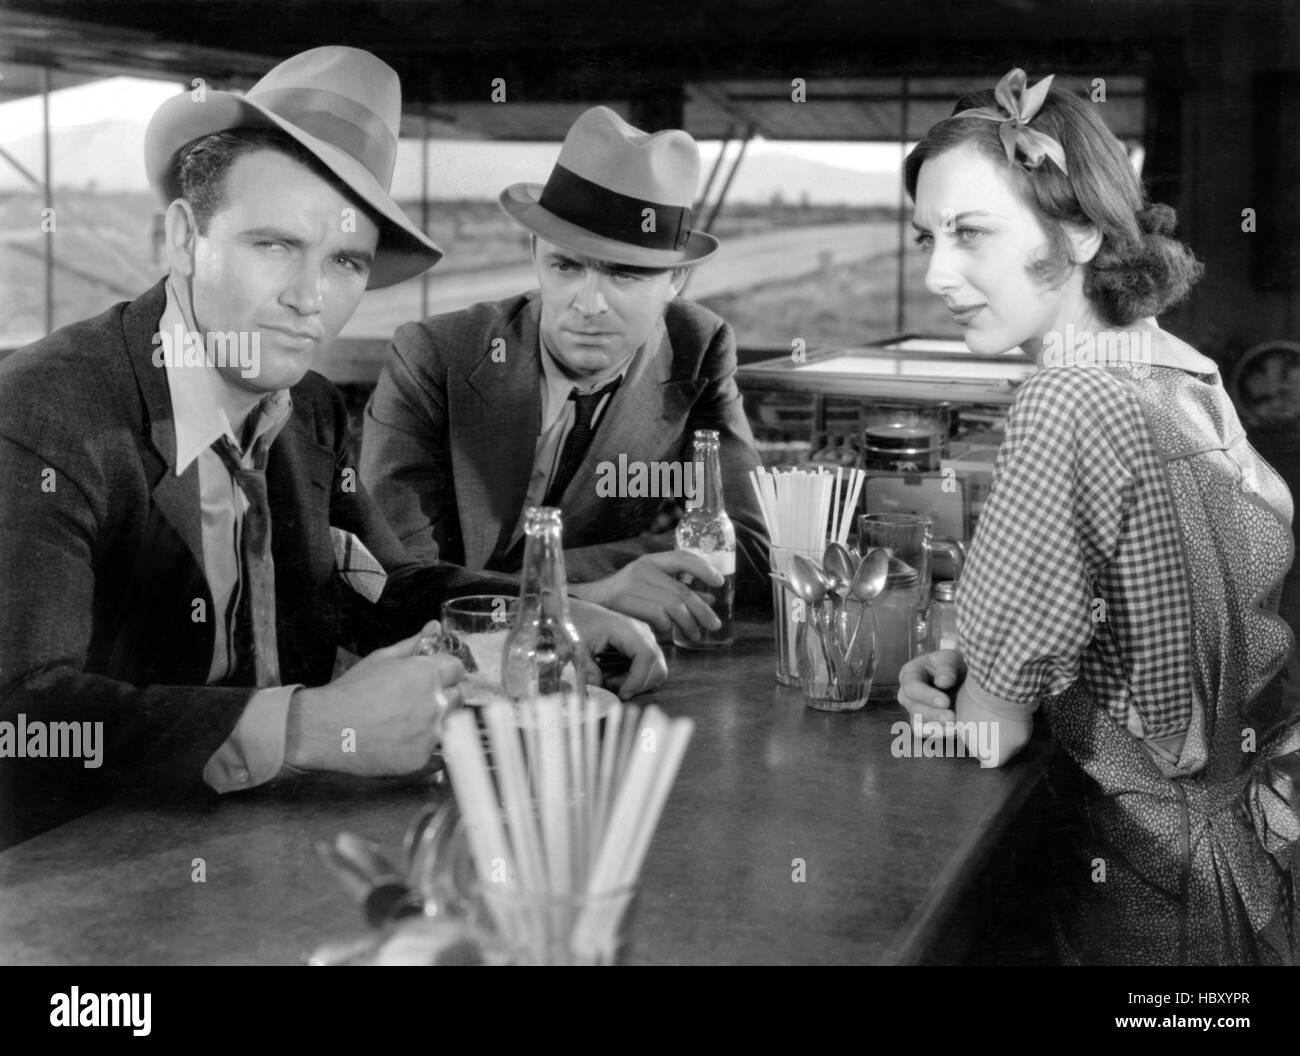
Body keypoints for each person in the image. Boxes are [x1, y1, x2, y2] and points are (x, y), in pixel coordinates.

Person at [0, 47, 664, 849]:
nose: (309, 299)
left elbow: (379, 586)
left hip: (258, 852)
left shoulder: (307, 411)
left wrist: (545, 615)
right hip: (68, 881)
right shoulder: (45, 414)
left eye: (346, 260)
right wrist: (309, 726)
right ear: (182, 238)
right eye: (273, 245)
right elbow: (20, 718)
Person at [895, 68, 1299, 964]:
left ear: (1078, 230)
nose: (937, 274)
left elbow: (990, 734)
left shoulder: (1066, 400)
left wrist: (959, 695)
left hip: (1142, 902)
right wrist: (993, 661)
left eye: (969, 235)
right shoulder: (1181, 371)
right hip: (1245, 883)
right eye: (926, 237)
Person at [360, 106, 769, 644]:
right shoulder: (436, 354)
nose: (589, 304)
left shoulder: (698, 347)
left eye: (624, 273)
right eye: (566, 266)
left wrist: (545, 586)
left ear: (678, 280)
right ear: (534, 253)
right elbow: (394, 585)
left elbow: (748, 549)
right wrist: (590, 594)